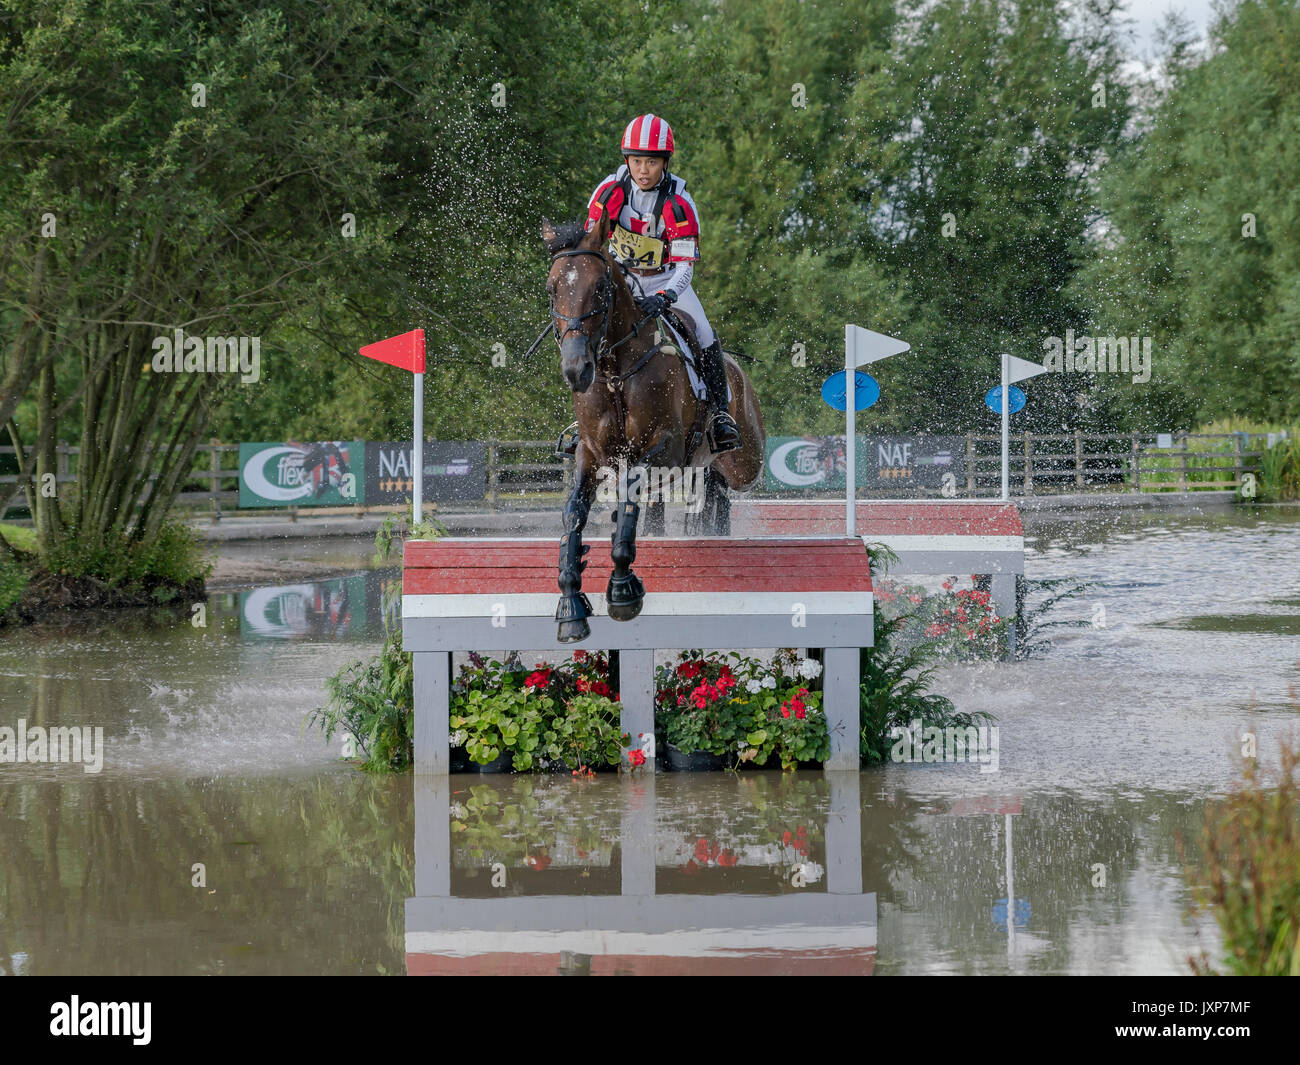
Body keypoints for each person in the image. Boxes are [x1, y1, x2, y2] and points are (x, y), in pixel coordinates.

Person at [556, 113, 741, 456]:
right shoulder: (610, 192)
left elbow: (685, 266)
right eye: (637, 161)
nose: (643, 170)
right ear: (627, 160)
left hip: (669, 279)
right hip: (621, 279)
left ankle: (719, 415)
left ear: (665, 163)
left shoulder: (679, 205)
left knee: (703, 333)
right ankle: (581, 424)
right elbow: (593, 242)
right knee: (586, 327)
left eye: (652, 162)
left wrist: (665, 294)